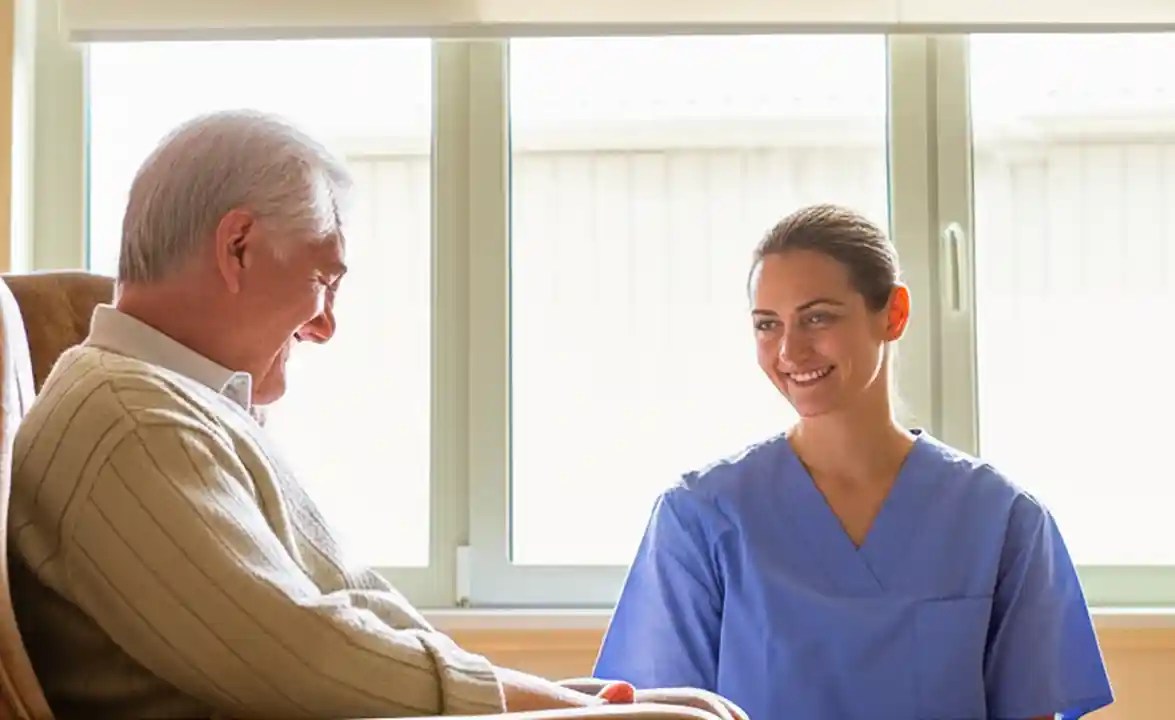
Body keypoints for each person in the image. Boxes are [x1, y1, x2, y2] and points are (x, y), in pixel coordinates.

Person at [7, 110, 742, 719]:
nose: (326, 325)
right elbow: (300, 659)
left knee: (701, 711)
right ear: (237, 247)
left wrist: (569, 700)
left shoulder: (177, 405)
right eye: (323, 279)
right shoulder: (129, 418)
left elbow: (340, 633)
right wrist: (571, 711)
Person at [593, 204, 1114, 720]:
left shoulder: (1002, 520)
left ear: (894, 314)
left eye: (818, 317)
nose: (790, 350)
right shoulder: (700, 518)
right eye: (767, 325)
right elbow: (656, 712)